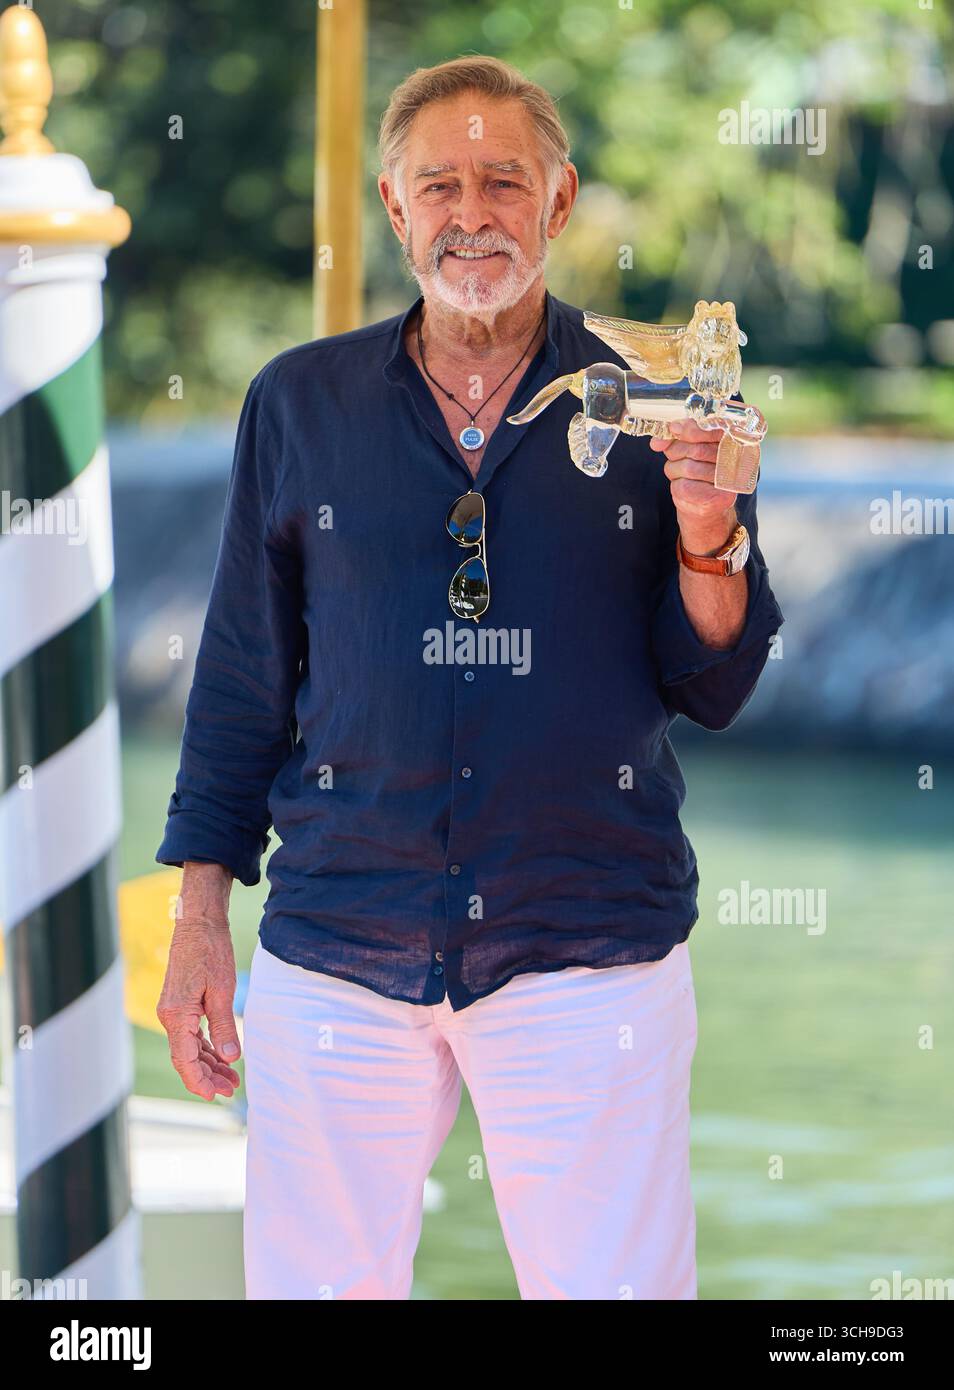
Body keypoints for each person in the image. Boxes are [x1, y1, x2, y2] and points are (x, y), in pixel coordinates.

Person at [155, 55, 784, 1300]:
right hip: (337, 939)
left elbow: (710, 679)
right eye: (439, 183)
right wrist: (197, 920)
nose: (472, 209)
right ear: (395, 209)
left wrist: (711, 527)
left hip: (589, 946)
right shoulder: (299, 403)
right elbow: (241, 679)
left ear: (558, 206)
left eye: (505, 179)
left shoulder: (657, 401)